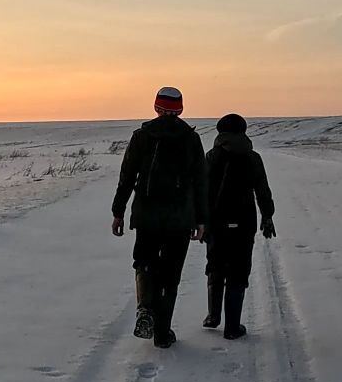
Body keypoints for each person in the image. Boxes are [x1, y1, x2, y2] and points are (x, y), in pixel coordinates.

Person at [111, 86, 207, 349]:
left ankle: (144, 308)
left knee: (144, 263)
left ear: (156, 107)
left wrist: (118, 212)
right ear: (180, 109)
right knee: (171, 273)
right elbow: (201, 182)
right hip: (180, 219)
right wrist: (201, 219)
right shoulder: (191, 139)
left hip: (146, 216)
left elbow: (127, 178)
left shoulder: (142, 136)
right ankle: (163, 334)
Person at [201, 113, 276, 339]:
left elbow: (201, 191)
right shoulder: (253, 158)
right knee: (238, 270)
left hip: (215, 223)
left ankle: (213, 316)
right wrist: (267, 216)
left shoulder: (211, 157)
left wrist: (200, 220)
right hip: (244, 223)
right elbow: (263, 191)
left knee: (215, 264)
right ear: (243, 132)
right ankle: (233, 327)